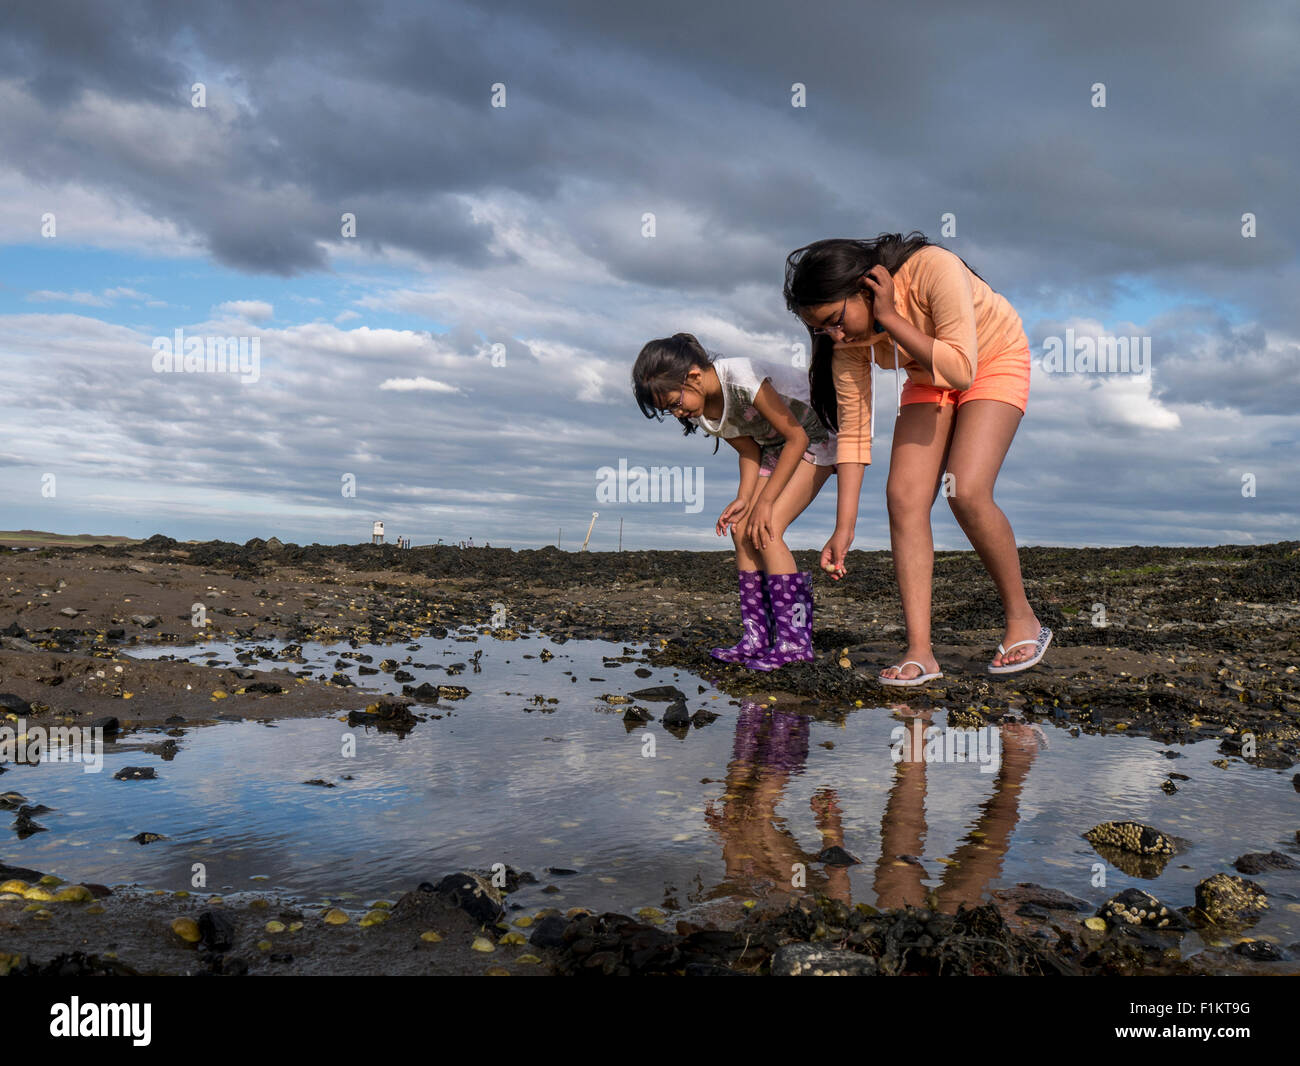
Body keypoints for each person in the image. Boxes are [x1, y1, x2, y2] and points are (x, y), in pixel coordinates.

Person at [784, 232, 1051, 684]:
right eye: (821, 329)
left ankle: (1023, 619)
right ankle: (920, 652)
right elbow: (853, 433)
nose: (835, 334)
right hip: (928, 373)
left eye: (835, 320)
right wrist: (844, 527)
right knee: (904, 498)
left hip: (988, 358)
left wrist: (888, 316)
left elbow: (961, 367)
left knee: (964, 490)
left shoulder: (933, 267)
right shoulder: (844, 341)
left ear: (863, 287)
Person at [633, 333, 836, 671]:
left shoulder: (740, 378)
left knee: (766, 527)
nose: (677, 413)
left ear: (694, 376)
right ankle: (757, 637)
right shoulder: (702, 412)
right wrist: (745, 498)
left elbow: (796, 437)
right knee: (742, 529)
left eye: (674, 402)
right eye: (668, 410)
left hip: (815, 436)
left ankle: (795, 642)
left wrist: (766, 502)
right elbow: (749, 449)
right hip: (776, 449)